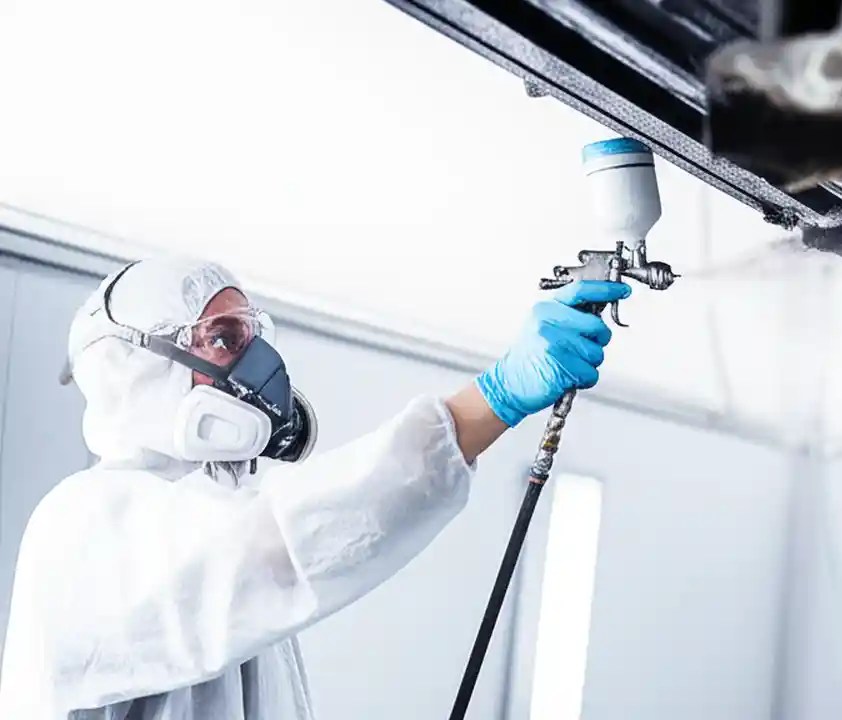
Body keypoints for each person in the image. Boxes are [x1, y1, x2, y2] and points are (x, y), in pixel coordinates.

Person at [0, 255, 630, 719]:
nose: (258, 368)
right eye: (224, 340)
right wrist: (485, 405)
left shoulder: (216, 512)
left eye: (255, 338)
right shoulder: (84, 522)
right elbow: (280, 544)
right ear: (138, 369)